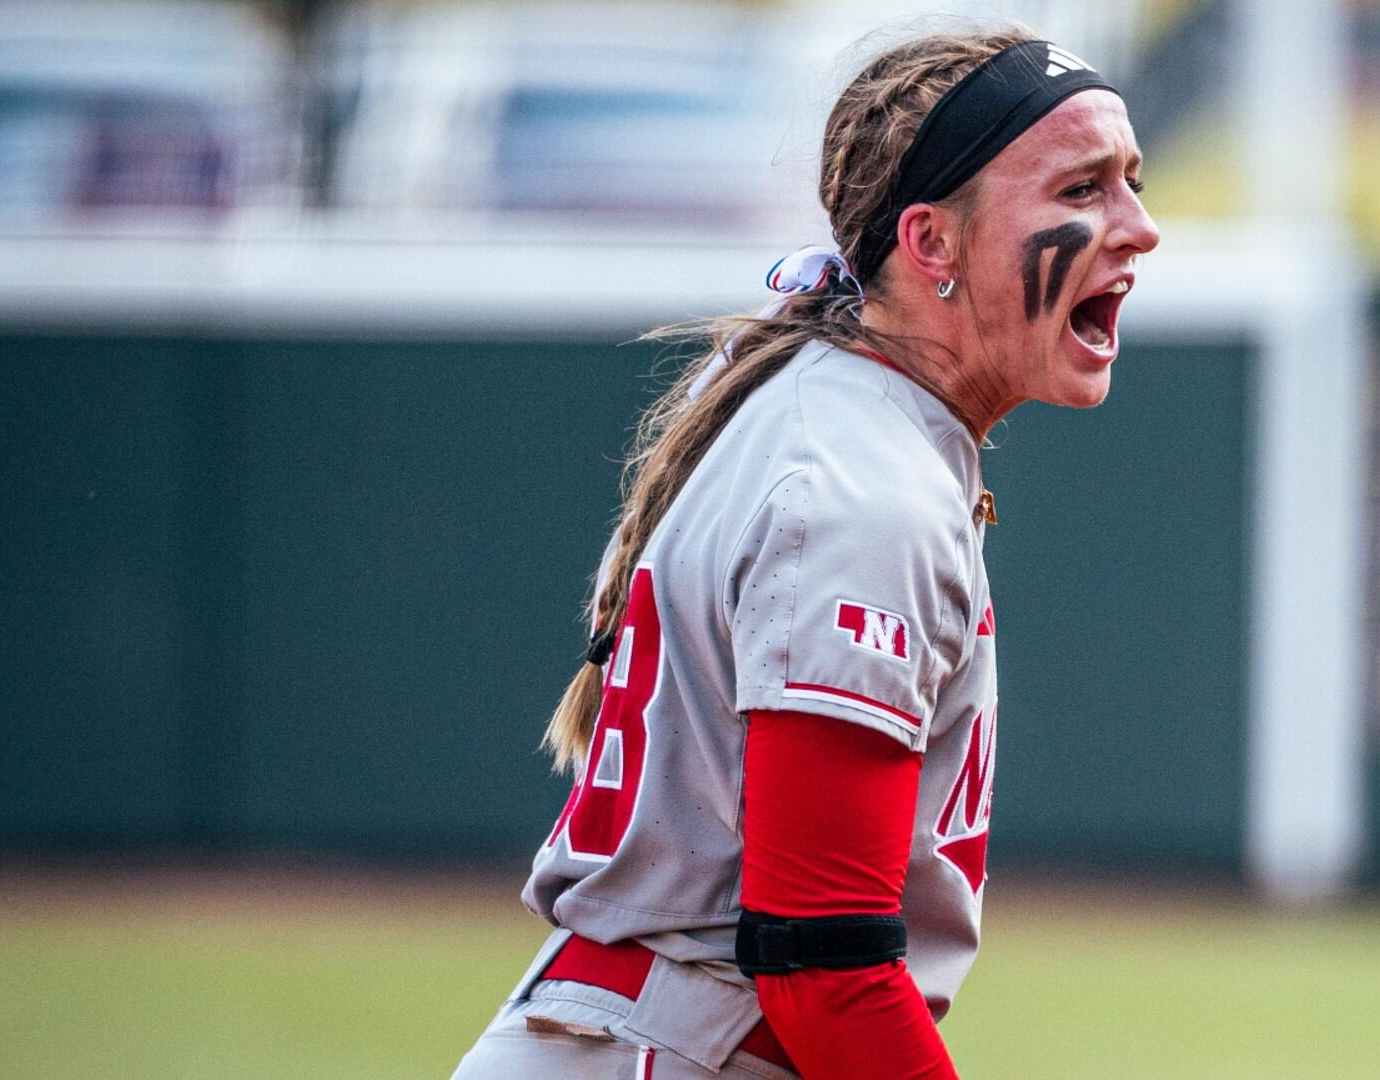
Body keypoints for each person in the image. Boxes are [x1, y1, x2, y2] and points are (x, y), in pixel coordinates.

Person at [452, 25, 1160, 1080]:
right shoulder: (861, 484)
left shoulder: (832, 411)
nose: (1138, 228)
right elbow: (819, 959)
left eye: (1132, 182)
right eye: (1082, 190)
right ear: (931, 244)